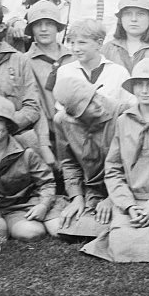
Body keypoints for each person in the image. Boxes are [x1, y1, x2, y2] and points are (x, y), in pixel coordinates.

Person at [78, 58, 149, 262]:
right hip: (132, 201)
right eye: (139, 84)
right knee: (122, 244)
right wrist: (128, 206)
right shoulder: (124, 121)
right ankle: (124, 225)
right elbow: (113, 169)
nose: (145, 90)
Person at [52, 73, 125, 239]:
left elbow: (134, 163)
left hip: (125, 187)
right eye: (89, 104)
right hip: (93, 188)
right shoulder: (61, 121)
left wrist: (112, 198)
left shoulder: (121, 111)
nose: (98, 103)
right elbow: (69, 163)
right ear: (74, 113)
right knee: (67, 230)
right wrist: (77, 197)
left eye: (96, 95)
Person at [0, 95, 64, 243]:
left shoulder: (26, 151)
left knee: (59, 229)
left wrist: (43, 205)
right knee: (32, 232)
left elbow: (46, 182)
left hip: (30, 201)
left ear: (8, 126)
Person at [24, 1, 74, 145]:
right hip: (44, 135)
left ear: (58, 27)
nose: (44, 29)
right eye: (38, 24)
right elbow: (33, 102)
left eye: (49, 24)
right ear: (31, 29)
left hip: (74, 130)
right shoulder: (25, 61)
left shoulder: (73, 58)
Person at [55, 17, 134, 107]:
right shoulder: (65, 71)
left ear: (99, 43)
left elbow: (130, 107)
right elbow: (60, 110)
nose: (75, 49)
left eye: (82, 42)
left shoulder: (118, 72)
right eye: (72, 43)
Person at [102, 0, 149, 73]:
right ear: (120, 19)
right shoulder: (108, 49)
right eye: (128, 14)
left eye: (140, 14)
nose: (133, 19)